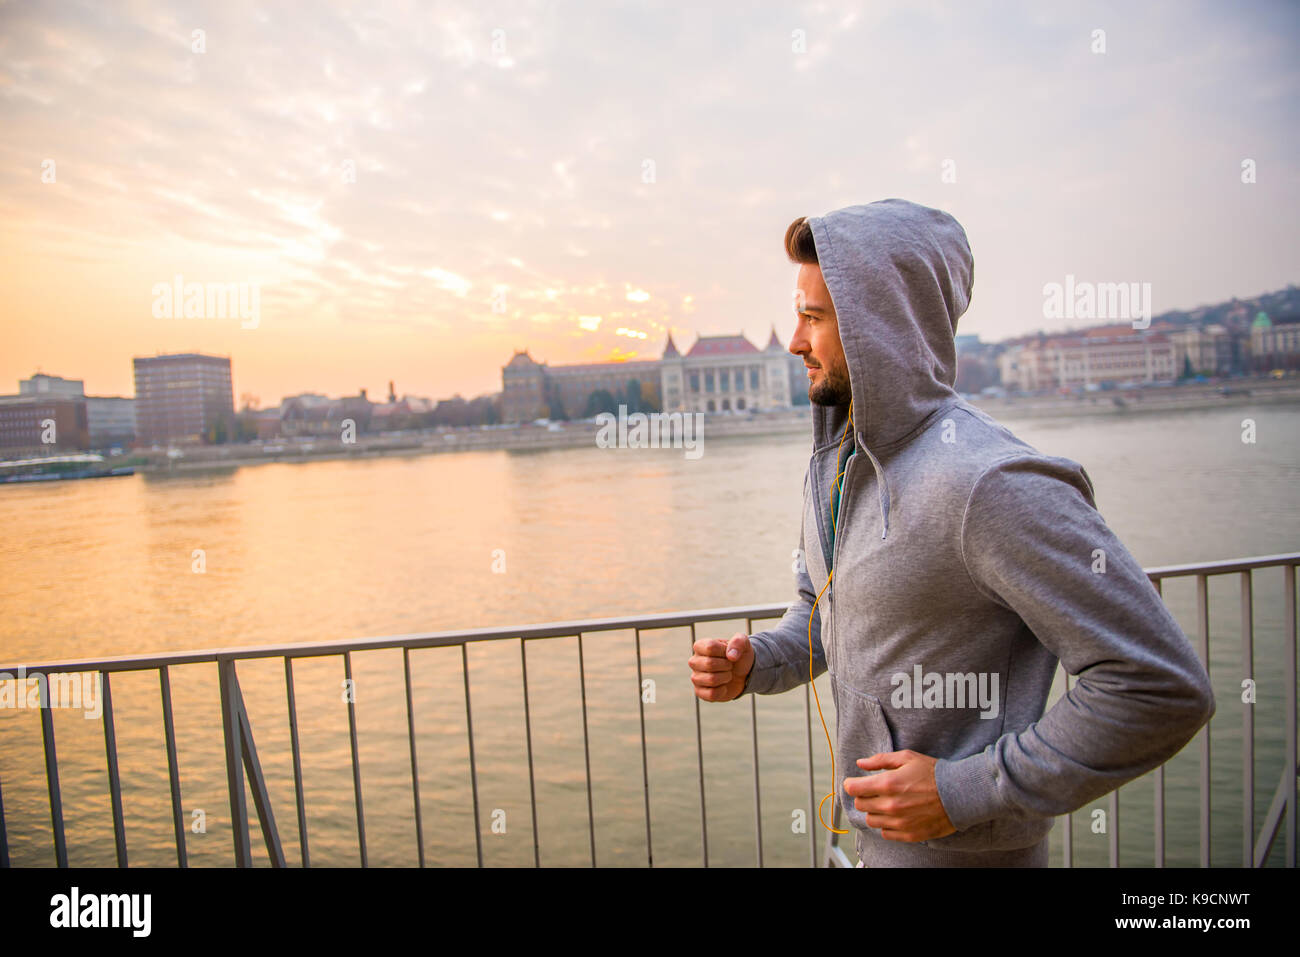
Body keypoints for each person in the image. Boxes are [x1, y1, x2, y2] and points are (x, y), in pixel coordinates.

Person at [687, 198, 1215, 867]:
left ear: (881, 325)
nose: (794, 341)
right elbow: (824, 609)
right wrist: (759, 661)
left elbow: (1161, 687)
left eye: (813, 318)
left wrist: (960, 790)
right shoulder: (838, 462)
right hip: (865, 848)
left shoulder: (990, 484)